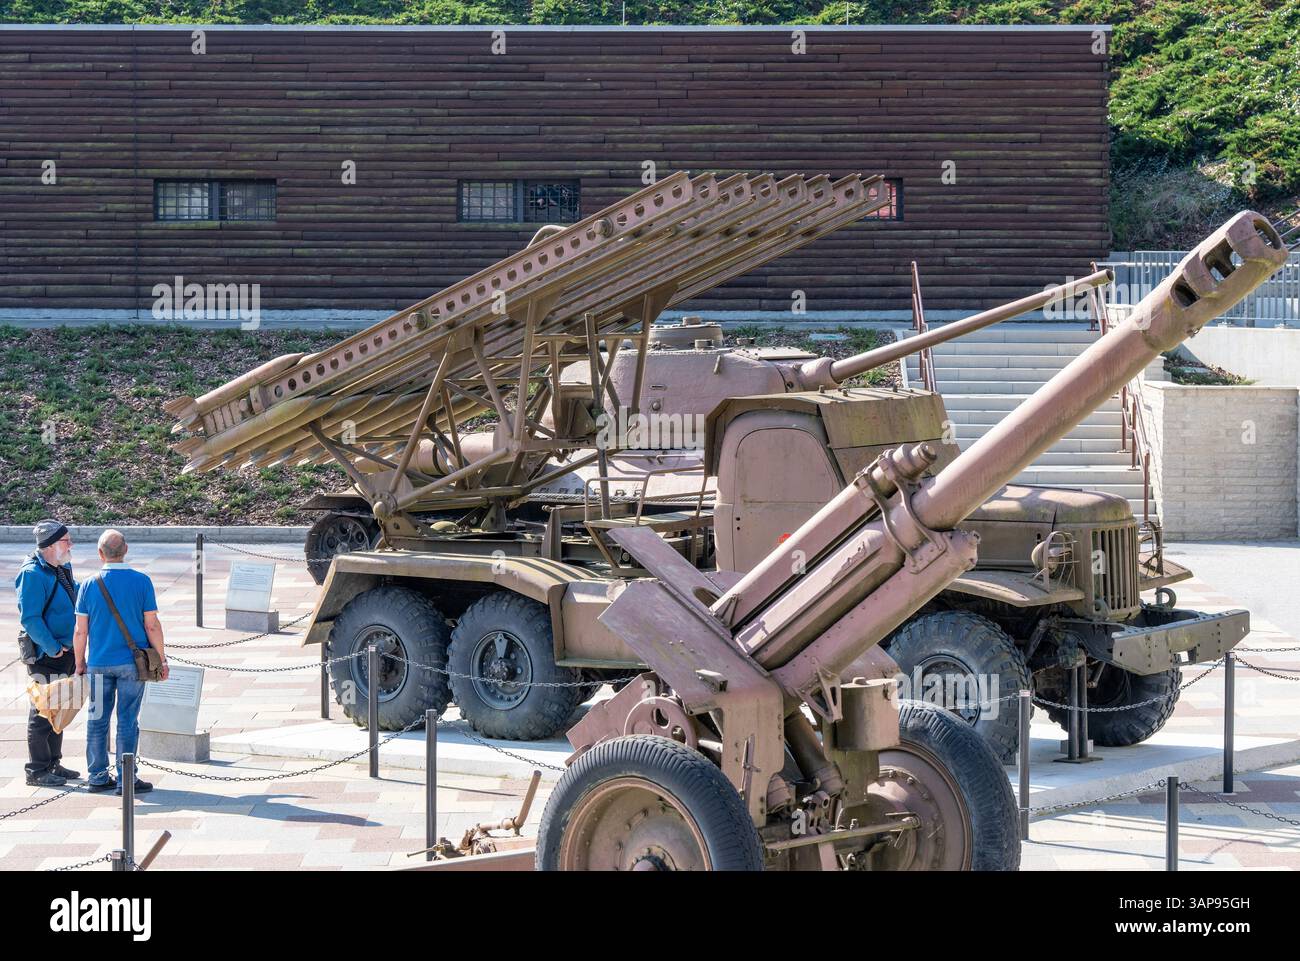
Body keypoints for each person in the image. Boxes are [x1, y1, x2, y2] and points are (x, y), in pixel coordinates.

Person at [74, 529, 169, 795]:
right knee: (128, 720)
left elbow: (81, 631)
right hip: (132, 664)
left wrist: (79, 662)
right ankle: (126, 779)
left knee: (97, 720)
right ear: (126, 550)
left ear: (99, 553)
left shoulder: (88, 585)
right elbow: (152, 625)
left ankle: (97, 775)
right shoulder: (141, 581)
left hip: (99, 663)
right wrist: (161, 659)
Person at [15, 519, 81, 787]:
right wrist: (53, 648)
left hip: (67, 650)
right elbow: (30, 619)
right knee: (43, 710)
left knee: (61, 706)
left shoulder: (62, 566)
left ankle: (54, 762)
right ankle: (37, 769)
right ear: (51, 545)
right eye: (66, 541)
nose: (71, 545)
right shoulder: (31, 574)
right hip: (47, 654)